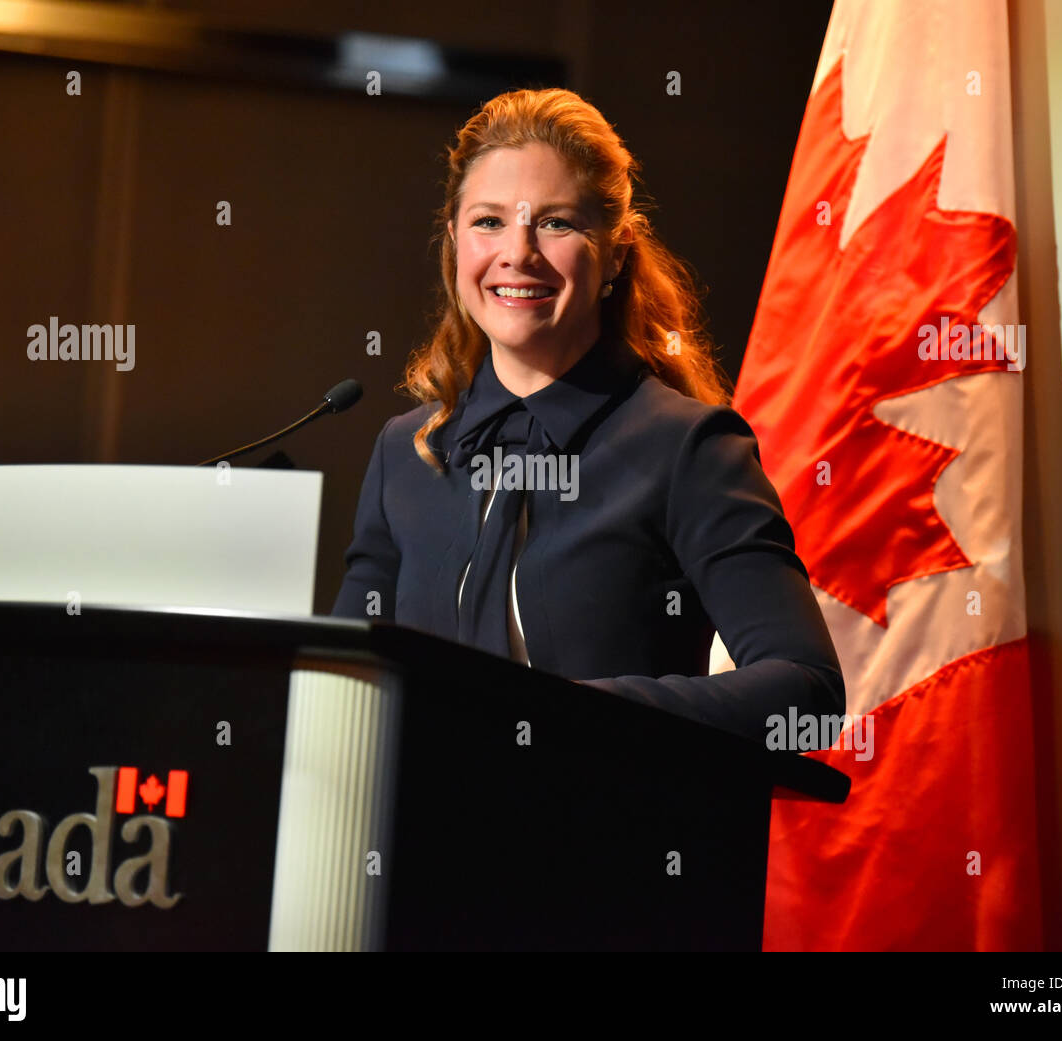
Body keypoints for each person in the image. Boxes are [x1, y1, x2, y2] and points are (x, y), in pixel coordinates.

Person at [332, 88, 843, 744]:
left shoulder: (688, 447)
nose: (518, 252)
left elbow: (809, 695)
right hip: (417, 838)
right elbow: (342, 683)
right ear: (455, 239)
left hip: (602, 836)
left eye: (555, 223)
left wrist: (571, 714)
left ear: (617, 253)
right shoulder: (406, 451)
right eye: (489, 221)